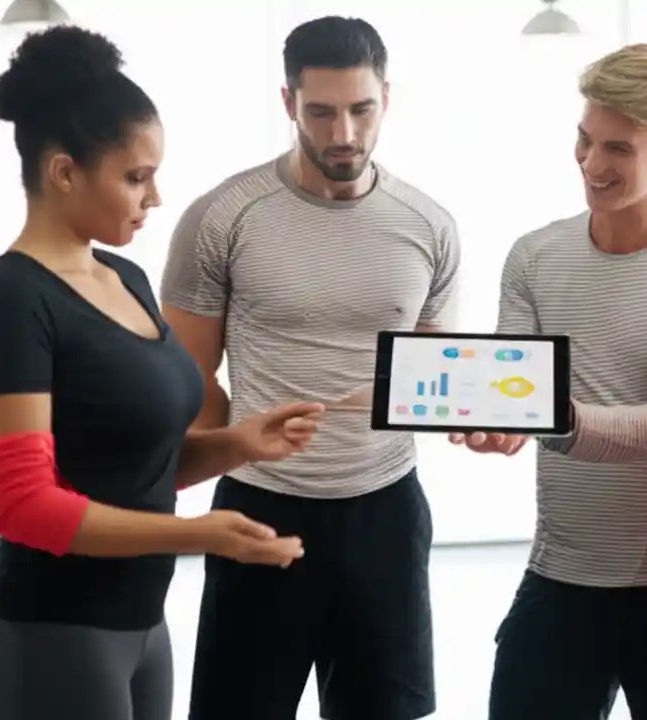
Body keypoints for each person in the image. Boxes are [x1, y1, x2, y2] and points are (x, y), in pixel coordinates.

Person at [0, 26, 320, 720]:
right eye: (134, 176)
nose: (153, 197)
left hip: (141, 625)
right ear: (65, 172)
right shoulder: (12, 301)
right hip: (48, 629)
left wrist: (239, 443)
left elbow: (134, 468)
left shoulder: (123, 277)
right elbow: (24, 506)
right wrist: (200, 535)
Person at [160, 15, 459, 720]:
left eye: (361, 109)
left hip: (386, 508)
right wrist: (240, 448)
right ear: (290, 102)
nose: (343, 133)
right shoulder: (223, 217)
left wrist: (481, 422)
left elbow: (429, 379)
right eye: (321, 112)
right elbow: (187, 379)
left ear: (387, 96)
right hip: (261, 507)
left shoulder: (429, 225)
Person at [451, 43, 647, 719]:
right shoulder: (535, 255)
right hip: (557, 576)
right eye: (585, 140)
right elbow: (515, 392)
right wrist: (497, 422)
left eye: (618, 149)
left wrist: (548, 420)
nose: (593, 165)